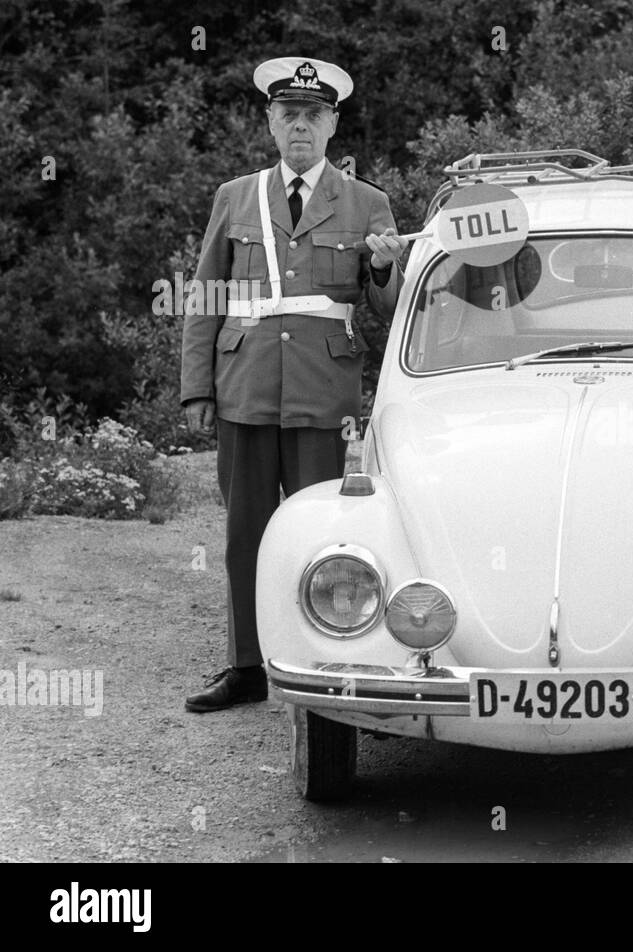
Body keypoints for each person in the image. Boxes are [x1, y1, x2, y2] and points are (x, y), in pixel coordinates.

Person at [180, 57, 407, 712]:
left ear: (333, 124)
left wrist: (388, 270)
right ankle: (247, 667)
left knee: (321, 539)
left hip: (321, 394)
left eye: (313, 116)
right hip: (244, 387)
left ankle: (319, 664)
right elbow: (205, 296)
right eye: (289, 116)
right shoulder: (236, 196)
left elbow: (386, 309)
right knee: (245, 534)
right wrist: (198, 387)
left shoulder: (368, 203)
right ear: (270, 122)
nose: (300, 127)